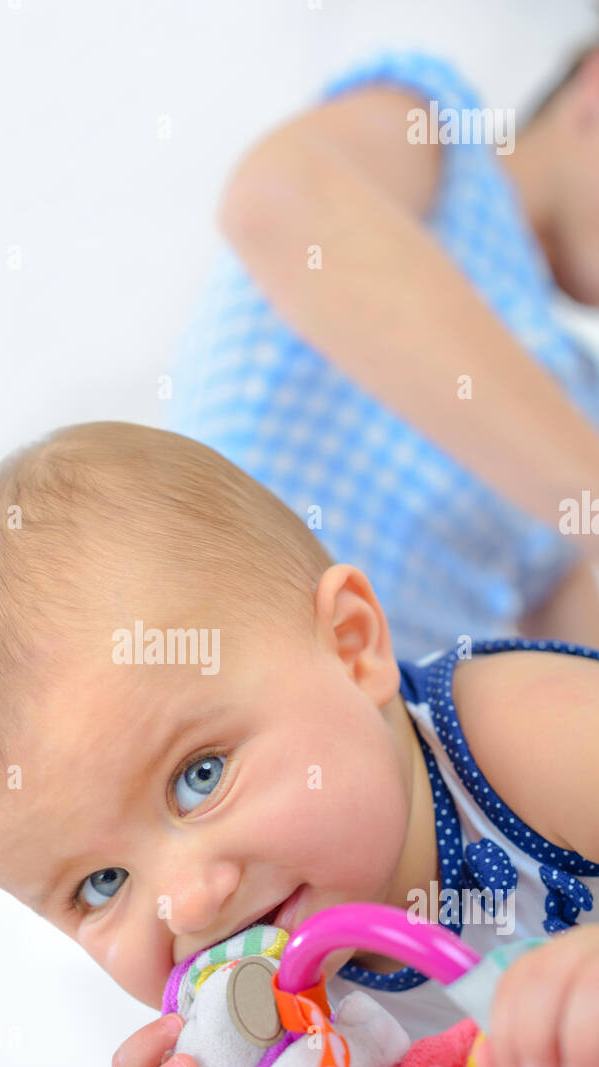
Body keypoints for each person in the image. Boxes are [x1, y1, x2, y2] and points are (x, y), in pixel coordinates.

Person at [0, 421, 599, 1067]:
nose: (184, 902)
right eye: (103, 884)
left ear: (352, 646)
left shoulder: (512, 735)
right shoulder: (255, 1028)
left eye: (200, 775)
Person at [166, 47, 599, 659]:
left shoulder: (579, 396)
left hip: (397, 730)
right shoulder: (437, 131)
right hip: (220, 644)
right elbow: (280, 200)